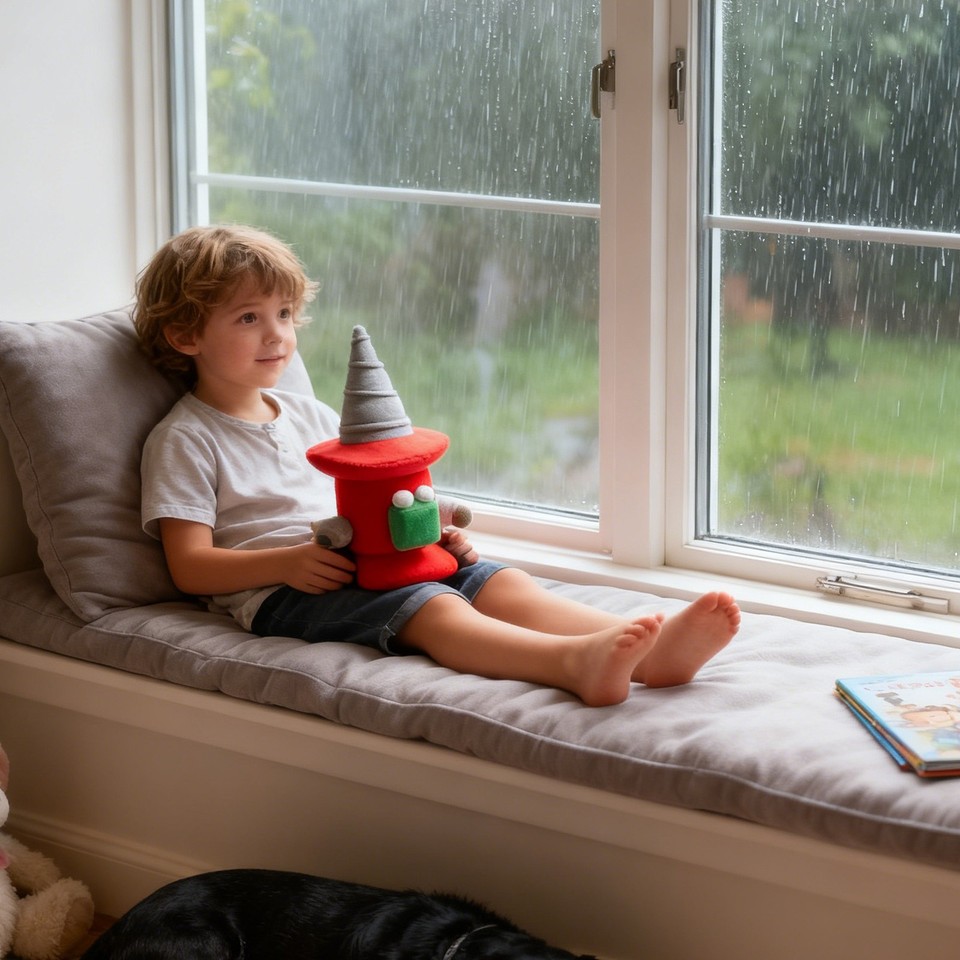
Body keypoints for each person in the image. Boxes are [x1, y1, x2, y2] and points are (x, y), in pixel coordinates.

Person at [136, 225, 740, 707]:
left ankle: (652, 653)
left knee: (500, 582)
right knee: (433, 607)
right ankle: (573, 664)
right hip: (282, 591)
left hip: (371, 558)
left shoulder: (308, 412)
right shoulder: (184, 439)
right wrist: (290, 563)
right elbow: (189, 566)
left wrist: (429, 534)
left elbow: (371, 495)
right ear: (187, 336)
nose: (279, 336)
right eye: (249, 318)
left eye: (285, 314)